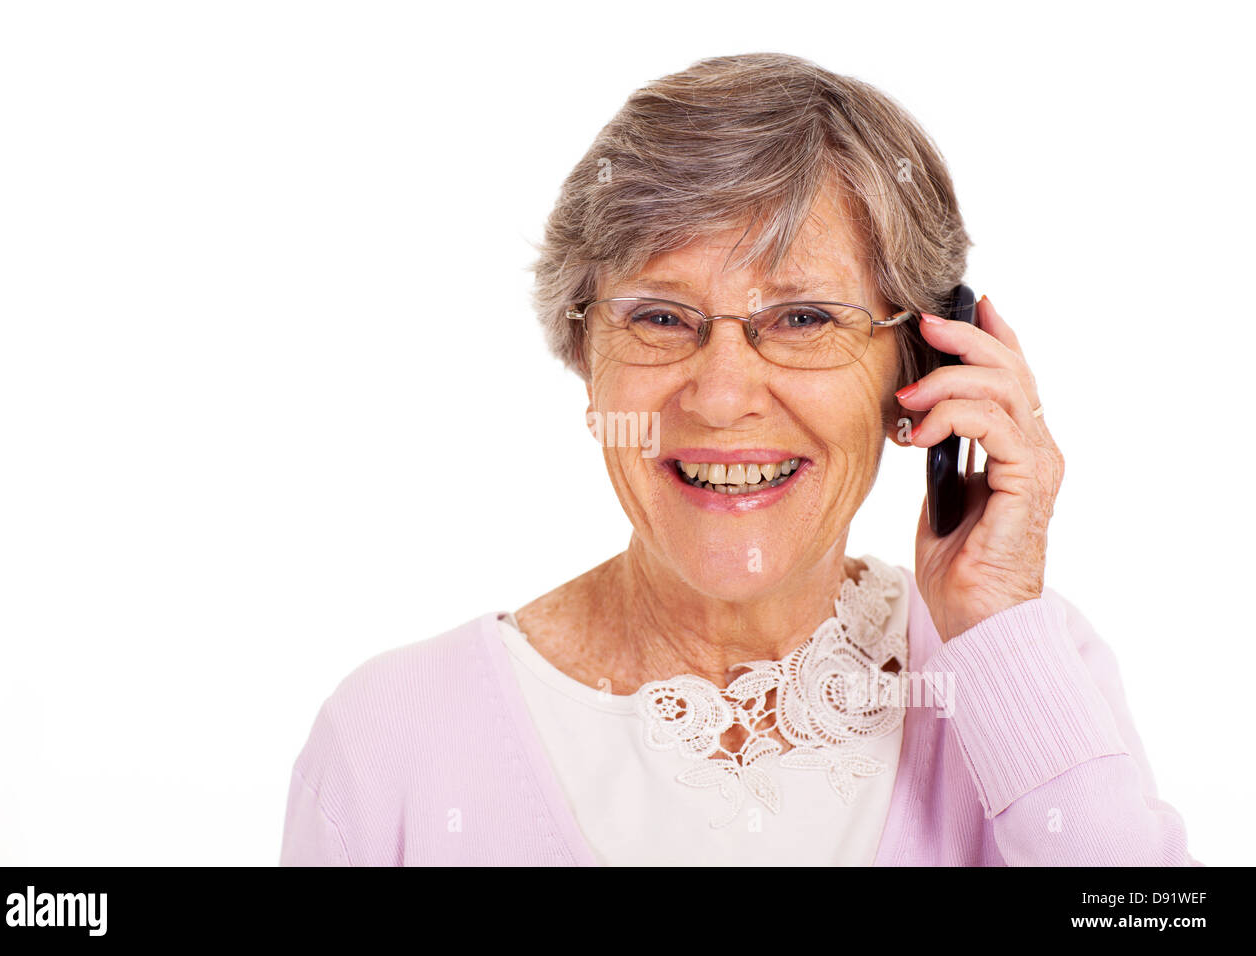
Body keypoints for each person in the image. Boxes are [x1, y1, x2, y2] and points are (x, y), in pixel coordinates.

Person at [280, 52, 1198, 866]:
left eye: (802, 318)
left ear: (921, 365)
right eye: (659, 318)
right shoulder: (390, 741)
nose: (721, 397)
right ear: (584, 359)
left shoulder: (1025, 665)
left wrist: (997, 626)